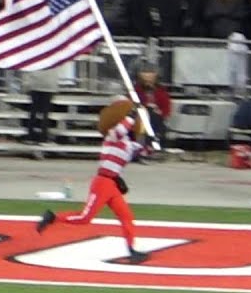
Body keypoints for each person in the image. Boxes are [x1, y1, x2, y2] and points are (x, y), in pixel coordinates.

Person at [36, 98, 149, 264]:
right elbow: (121, 129)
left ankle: (132, 250)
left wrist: (152, 145)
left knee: (126, 216)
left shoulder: (127, 143)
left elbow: (141, 150)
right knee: (84, 218)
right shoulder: (112, 135)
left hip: (112, 184)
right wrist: (132, 114)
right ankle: (53, 217)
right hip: (103, 183)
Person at [135, 61, 171, 147]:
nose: (148, 83)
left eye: (150, 81)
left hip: (156, 118)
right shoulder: (136, 91)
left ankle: (154, 143)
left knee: (156, 119)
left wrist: (159, 111)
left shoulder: (161, 92)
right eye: (146, 81)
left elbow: (166, 108)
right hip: (139, 116)